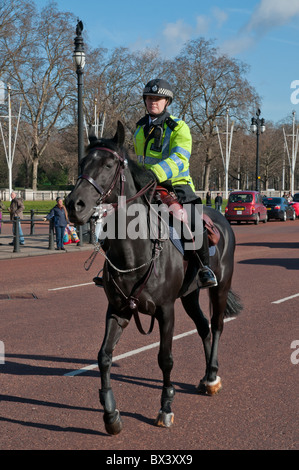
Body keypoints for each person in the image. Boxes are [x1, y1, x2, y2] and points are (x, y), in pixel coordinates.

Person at [133, 78, 217, 288]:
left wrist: (154, 174)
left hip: (176, 185)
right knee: (118, 215)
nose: (154, 102)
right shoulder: (139, 129)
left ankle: (204, 268)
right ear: (145, 100)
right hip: (146, 184)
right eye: (150, 98)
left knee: (192, 218)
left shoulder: (179, 127)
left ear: (167, 102)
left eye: (158, 98)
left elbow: (180, 158)